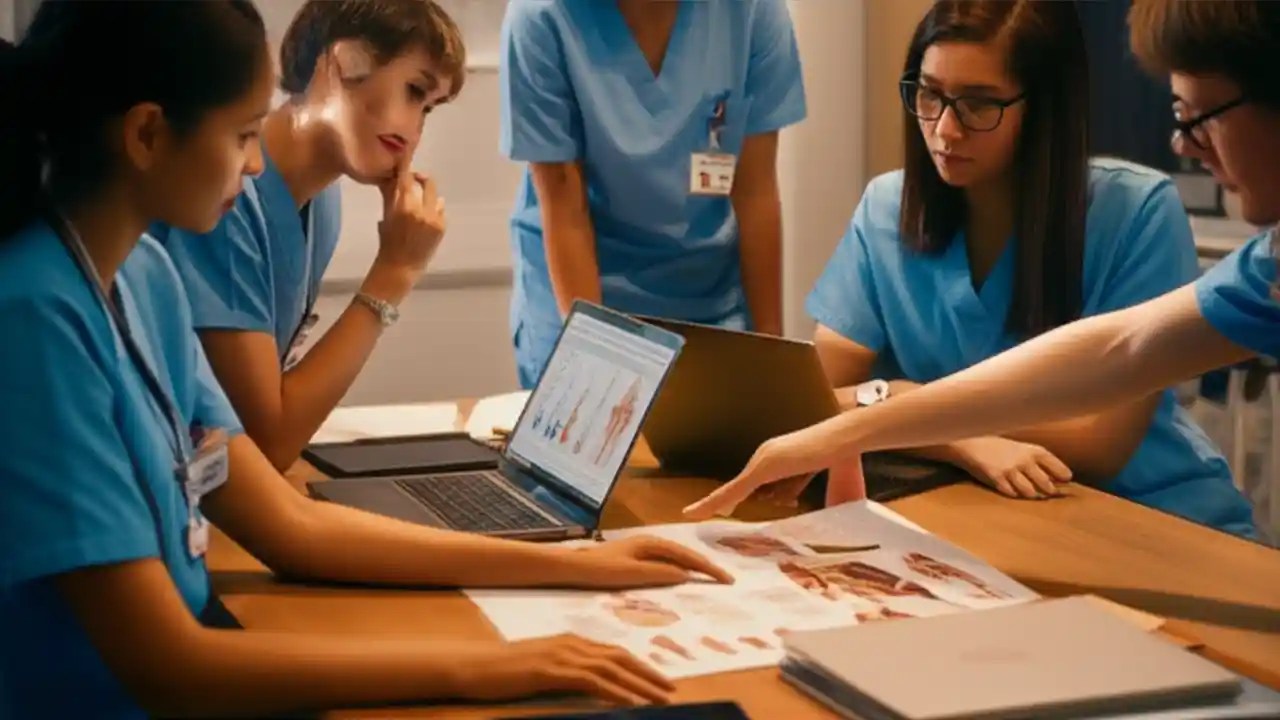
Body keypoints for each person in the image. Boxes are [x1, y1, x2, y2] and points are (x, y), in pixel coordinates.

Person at [0, 5, 732, 717]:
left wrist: (567, 565)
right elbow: (171, 667)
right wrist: (483, 667)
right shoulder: (34, 315)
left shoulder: (146, 279)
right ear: (149, 134)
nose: (256, 162)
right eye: (243, 134)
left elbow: (291, 526)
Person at [685, 0, 1278, 541]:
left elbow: (1102, 422)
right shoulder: (889, 208)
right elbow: (810, 400)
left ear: (1043, 108)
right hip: (989, 517)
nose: (945, 129)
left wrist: (900, 403)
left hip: (1149, 520)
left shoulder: (1133, 210)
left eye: (978, 105)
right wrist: (955, 436)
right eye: (929, 95)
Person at [152, 0, 458, 471]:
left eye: (429, 110)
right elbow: (268, 441)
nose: (414, 131)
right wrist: (394, 272)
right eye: (414, 91)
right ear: (343, 60)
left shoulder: (322, 203)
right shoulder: (225, 198)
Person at [500, 0, 807, 388]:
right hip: (580, 290)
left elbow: (756, 192)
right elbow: (565, 211)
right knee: (594, 429)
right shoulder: (541, 16)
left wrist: (770, 351)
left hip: (707, 297)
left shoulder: (751, 11)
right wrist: (591, 364)